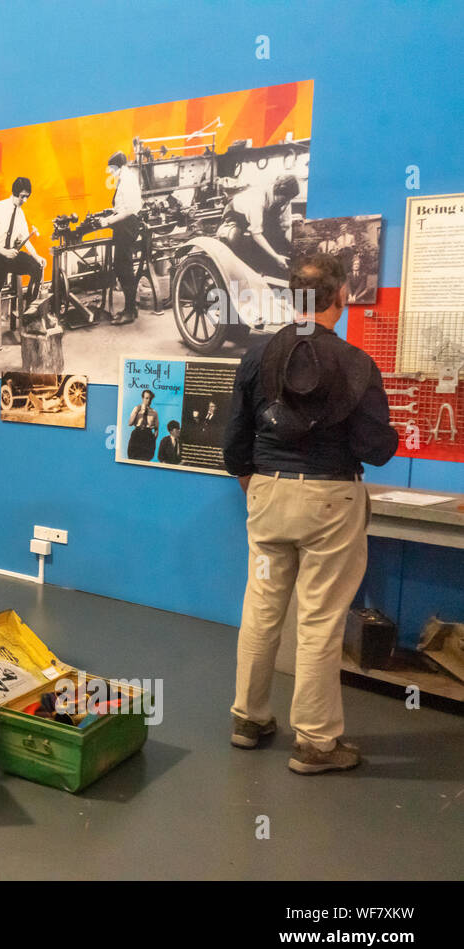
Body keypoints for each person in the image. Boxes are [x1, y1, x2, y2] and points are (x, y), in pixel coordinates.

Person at [223, 252, 397, 774]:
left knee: (261, 607)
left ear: (291, 295)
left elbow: (235, 441)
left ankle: (248, 719)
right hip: (331, 504)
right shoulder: (357, 363)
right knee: (319, 621)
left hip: (269, 498)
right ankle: (316, 744)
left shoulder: (258, 356)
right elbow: (375, 448)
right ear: (341, 298)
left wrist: (256, 483)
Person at [0, 177, 44, 368]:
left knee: (35, 267)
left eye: (27, 197)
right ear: (15, 193)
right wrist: (5, 252)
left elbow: (25, 238)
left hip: (10, 256)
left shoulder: (21, 214)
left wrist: (37, 256)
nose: (25, 200)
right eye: (23, 196)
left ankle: (31, 314)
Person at [219, 174, 300, 278]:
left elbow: (285, 227)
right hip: (237, 214)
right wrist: (275, 257)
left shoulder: (285, 199)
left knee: (276, 236)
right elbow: (256, 233)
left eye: (289, 200)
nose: (287, 203)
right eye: (285, 199)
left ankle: (273, 269)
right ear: (277, 193)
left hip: (262, 214)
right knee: (239, 239)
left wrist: (293, 249)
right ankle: (253, 272)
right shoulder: (257, 199)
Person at [96, 151, 143, 324]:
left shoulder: (128, 180)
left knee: (124, 268)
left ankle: (129, 311)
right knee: (123, 267)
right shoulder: (126, 178)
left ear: (120, 166)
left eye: (113, 169)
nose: (112, 172)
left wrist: (108, 220)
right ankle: (131, 308)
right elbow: (123, 206)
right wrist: (112, 213)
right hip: (124, 226)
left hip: (127, 227)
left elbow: (129, 210)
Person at [126, 388, 158, 460]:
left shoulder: (154, 412)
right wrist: (136, 412)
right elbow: (130, 423)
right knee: (133, 457)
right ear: (143, 398)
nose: (148, 400)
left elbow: (156, 429)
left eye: (150, 398)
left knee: (146, 458)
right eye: (146, 398)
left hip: (148, 435)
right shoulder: (136, 408)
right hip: (137, 434)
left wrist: (153, 440)